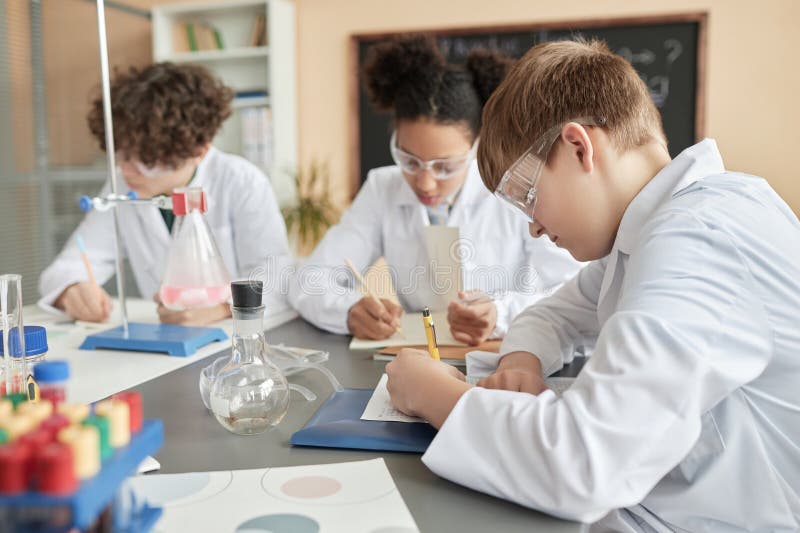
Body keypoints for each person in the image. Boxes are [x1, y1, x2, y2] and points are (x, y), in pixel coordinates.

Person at [385, 39, 800, 531]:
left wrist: (435, 396)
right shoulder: (653, 231)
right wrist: (521, 360)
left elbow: (585, 464)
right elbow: (552, 314)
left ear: (580, 147)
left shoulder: (699, 239)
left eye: (528, 195)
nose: (533, 227)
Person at [289, 35, 581, 344]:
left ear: (476, 147)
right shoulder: (382, 188)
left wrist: (501, 313)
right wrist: (348, 310)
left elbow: (571, 289)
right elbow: (308, 281)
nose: (425, 183)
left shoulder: (515, 191)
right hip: (418, 356)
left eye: (445, 167)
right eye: (409, 161)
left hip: (508, 354)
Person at [39, 62, 291, 326]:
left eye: (145, 161)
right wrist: (72, 290)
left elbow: (276, 275)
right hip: (167, 340)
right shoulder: (123, 187)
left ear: (199, 151)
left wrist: (223, 308)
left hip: (236, 337)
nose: (126, 171)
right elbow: (68, 264)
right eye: (122, 155)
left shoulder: (241, 181)